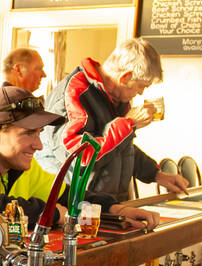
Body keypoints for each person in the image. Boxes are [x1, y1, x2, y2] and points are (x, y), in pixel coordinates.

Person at [0, 85, 161, 230]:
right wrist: (50, 213)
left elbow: (65, 195)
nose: (39, 144)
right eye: (28, 133)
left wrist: (115, 209)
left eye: (39, 133)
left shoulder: (22, 166)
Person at [36, 37, 189, 202]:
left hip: (107, 204)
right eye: (141, 86)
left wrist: (157, 175)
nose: (141, 93)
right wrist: (126, 124)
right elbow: (79, 160)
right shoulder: (76, 92)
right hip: (75, 205)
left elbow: (119, 149)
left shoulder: (117, 98)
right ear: (125, 77)